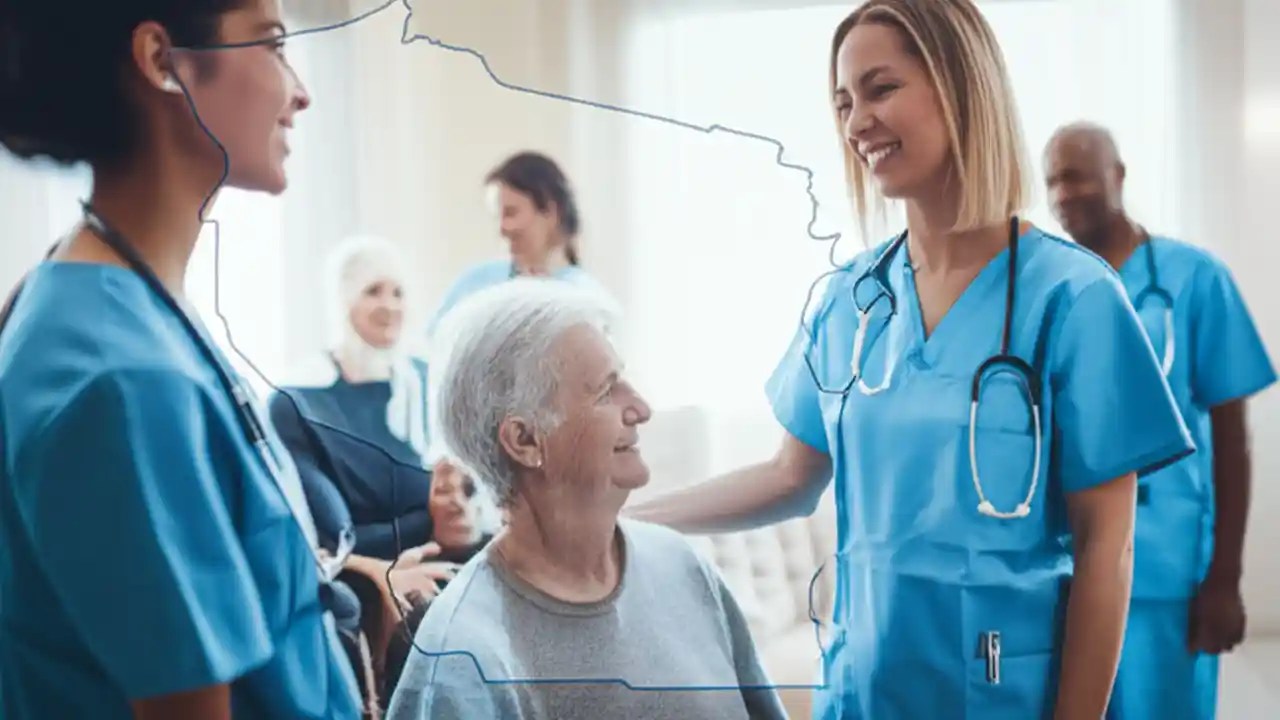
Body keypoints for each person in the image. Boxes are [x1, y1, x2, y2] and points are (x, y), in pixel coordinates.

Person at [625, 2, 1196, 718]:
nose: (855, 120)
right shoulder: (852, 299)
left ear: (960, 86)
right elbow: (789, 478)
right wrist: (630, 519)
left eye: (880, 88)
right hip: (863, 693)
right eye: (843, 101)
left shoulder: (1074, 297)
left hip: (1004, 696)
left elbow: (1106, 546)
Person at [0, 2, 361, 719]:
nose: (301, 91)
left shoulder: (109, 299)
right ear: (164, 62)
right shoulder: (121, 376)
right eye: (276, 45)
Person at [386, 280, 787, 720]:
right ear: (524, 440)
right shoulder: (461, 658)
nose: (641, 408)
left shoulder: (683, 566)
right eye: (605, 390)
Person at [1043, 121, 1277, 720]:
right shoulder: (1051, 285)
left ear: (1117, 176)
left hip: (1165, 565)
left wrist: (1224, 577)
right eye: (1052, 181)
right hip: (1066, 567)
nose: (1064, 193)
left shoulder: (1193, 278)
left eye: (1077, 175)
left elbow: (1231, 438)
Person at [267, 234, 454, 706]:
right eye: (373, 291)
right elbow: (331, 539)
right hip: (363, 579)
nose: (390, 306)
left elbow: (470, 501)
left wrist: (456, 522)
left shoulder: (427, 383)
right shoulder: (299, 401)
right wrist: (431, 523)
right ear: (344, 299)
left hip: (448, 562)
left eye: (399, 292)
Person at [424, 150, 616, 343]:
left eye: (510, 213)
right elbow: (431, 351)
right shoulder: (475, 283)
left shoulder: (589, 301)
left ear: (550, 211)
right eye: (497, 216)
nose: (501, 229)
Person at [380, 460, 495, 710]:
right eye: (443, 491)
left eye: (469, 489)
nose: (457, 502)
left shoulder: (509, 558)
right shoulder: (407, 565)